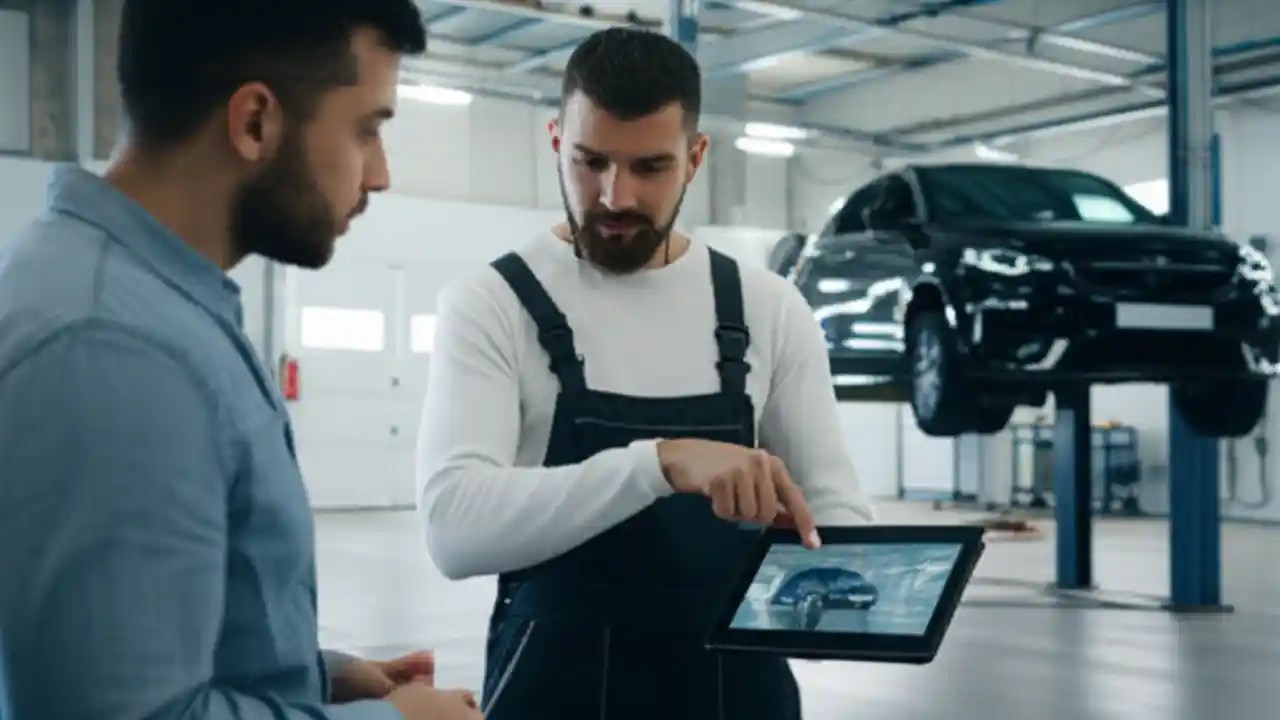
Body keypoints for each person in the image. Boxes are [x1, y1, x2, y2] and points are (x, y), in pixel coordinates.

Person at [0, 2, 480, 719]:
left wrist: (313, 677)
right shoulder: (112, 347)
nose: (379, 175)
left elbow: (140, 641)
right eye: (367, 130)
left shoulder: (158, 306)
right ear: (256, 121)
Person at [415, 26, 875, 720]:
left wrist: (842, 597)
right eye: (589, 161)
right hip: (555, 694)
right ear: (553, 143)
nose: (614, 196)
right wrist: (658, 465)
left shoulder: (769, 309)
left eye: (649, 167)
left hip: (738, 696)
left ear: (695, 158)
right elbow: (453, 530)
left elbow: (833, 518)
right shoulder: (492, 304)